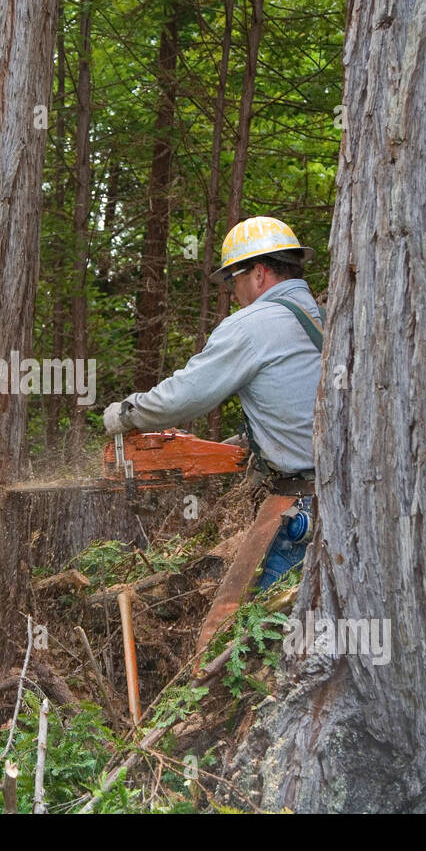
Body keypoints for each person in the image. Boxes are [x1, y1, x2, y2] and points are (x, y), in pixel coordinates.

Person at [103, 216, 323, 589]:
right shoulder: (325, 315)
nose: (232, 291)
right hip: (342, 497)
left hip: (302, 502)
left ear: (258, 273)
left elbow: (183, 398)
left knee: (258, 628)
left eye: (233, 280)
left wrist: (127, 414)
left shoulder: (254, 324)